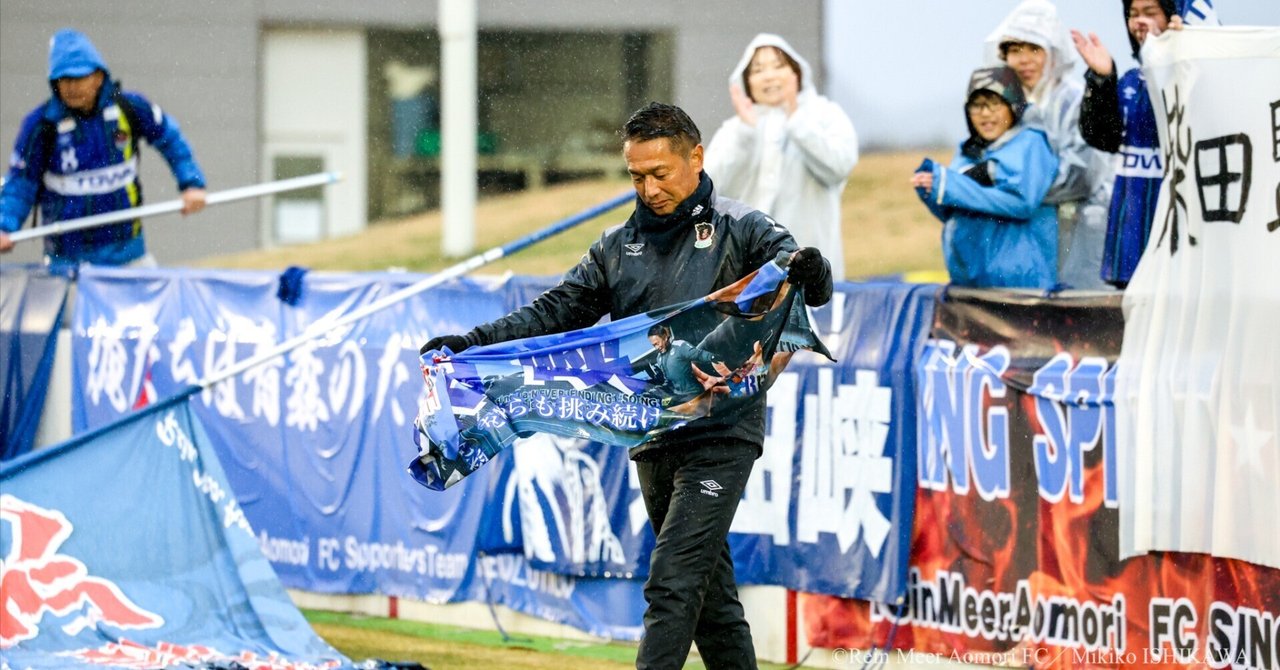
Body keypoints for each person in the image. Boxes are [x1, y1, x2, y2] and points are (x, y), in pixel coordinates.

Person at [421, 102, 833, 669]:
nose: (648, 187)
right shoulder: (615, 247)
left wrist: (816, 272)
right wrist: (474, 342)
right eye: (636, 176)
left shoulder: (746, 227)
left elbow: (806, 280)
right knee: (709, 604)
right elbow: (555, 312)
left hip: (723, 433)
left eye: (659, 173)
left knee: (672, 582)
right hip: (651, 434)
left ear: (696, 157)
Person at [0, 29, 207, 267]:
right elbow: (20, 185)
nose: (71, 87)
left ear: (99, 77)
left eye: (79, 78)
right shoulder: (41, 126)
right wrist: (4, 225)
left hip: (129, 256)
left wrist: (192, 184)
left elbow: (170, 139)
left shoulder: (130, 108)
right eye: (64, 79)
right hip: (67, 262)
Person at [703, 33, 858, 281]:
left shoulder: (825, 115)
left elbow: (839, 166)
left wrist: (797, 122)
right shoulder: (735, 129)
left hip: (812, 267)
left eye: (778, 65)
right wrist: (746, 134)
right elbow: (710, 187)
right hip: (747, 273)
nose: (769, 75)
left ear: (796, 72)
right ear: (746, 81)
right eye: (758, 69)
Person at [986, 0, 1114, 290]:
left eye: (1034, 49)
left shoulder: (1073, 99)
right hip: (1037, 233)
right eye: (1015, 50)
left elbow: (1083, 176)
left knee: (1080, 314)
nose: (1025, 60)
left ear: (1052, 53)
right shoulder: (1008, 105)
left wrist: (1013, 187)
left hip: (1082, 228)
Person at [911, 66, 1060, 289]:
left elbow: (1021, 203)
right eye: (977, 105)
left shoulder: (1031, 143)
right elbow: (955, 209)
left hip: (1020, 284)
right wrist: (933, 192)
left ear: (1013, 106)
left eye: (995, 103)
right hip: (969, 281)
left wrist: (952, 186)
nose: (985, 113)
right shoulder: (968, 151)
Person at [1070, 0, 1182, 287]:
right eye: (1133, 15)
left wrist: (1189, 49)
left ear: (1172, 16)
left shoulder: (1192, 76)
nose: (1139, 22)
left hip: (1178, 247)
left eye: (1149, 12)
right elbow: (1102, 138)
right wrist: (1102, 79)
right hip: (1129, 246)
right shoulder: (1132, 82)